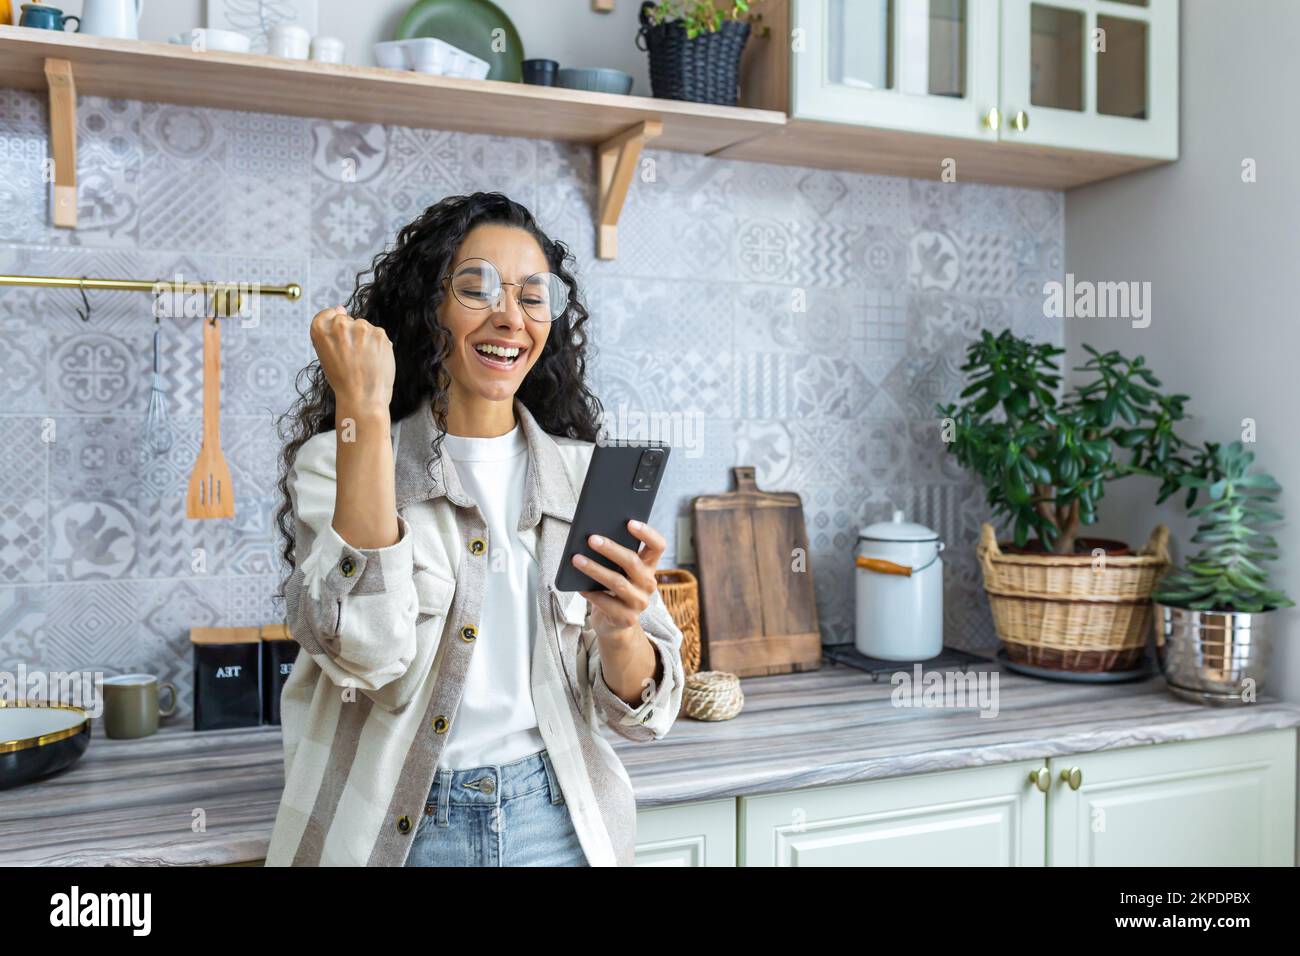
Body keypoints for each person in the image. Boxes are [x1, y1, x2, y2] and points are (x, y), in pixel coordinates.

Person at [264, 192, 685, 866]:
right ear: (430, 305)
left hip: (559, 825)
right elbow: (367, 656)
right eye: (477, 288)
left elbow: (645, 713)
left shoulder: (581, 479)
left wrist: (620, 627)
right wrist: (364, 413)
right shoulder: (336, 465)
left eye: (532, 295)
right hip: (396, 831)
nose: (509, 317)